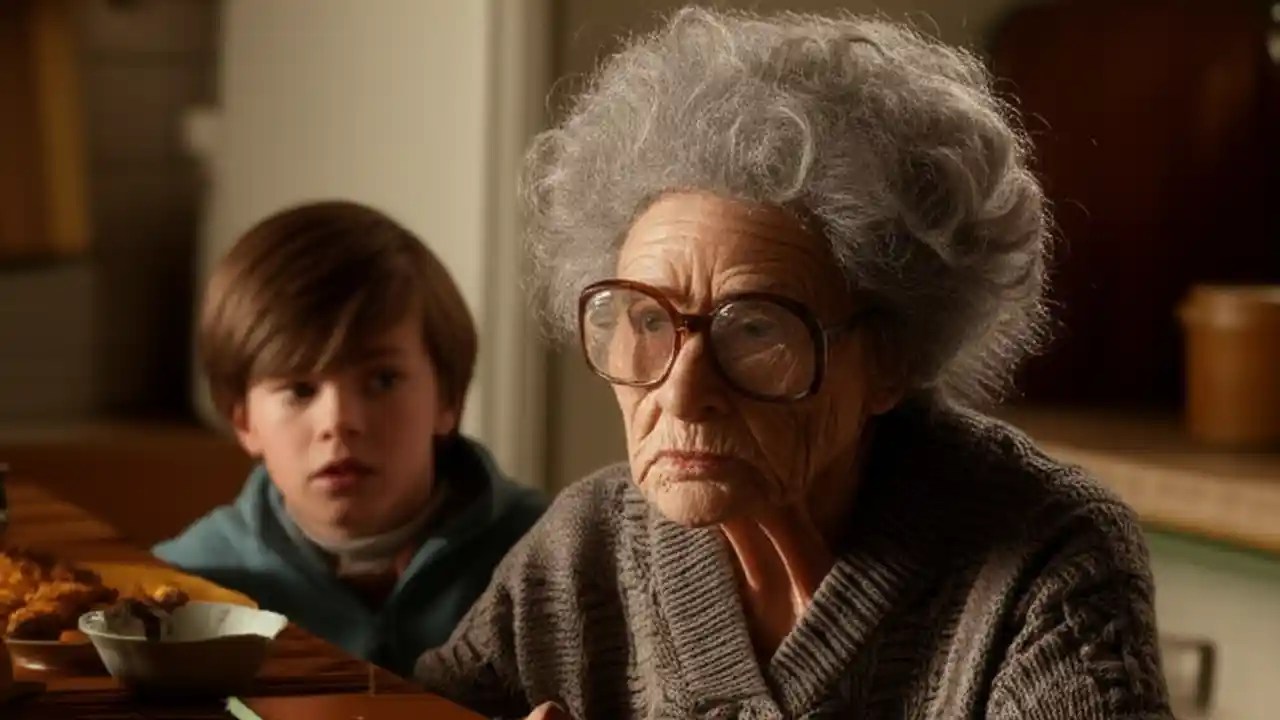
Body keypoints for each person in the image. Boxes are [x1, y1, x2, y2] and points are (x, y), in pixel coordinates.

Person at [416, 7, 1170, 719]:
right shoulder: (582, 551)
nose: (682, 393)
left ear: (892, 358)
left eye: (754, 329)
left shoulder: (1044, 560)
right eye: (646, 319)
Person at [154, 200, 545, 678]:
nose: (338, 422)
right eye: (300, 390)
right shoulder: (186, 588)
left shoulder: (549, 560)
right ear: (244, 420)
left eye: (382, 380)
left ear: (447, 397)